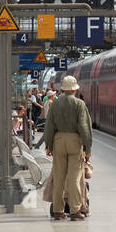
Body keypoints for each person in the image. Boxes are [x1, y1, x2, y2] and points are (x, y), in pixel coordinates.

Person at [43, 75, 92, 220]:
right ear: (74, 90)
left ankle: (58, 211)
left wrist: (49, 145)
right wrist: (88, 148)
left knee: (59, 177)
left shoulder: (55, 104)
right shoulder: (79, 104)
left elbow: (49, 126)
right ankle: (75, 210)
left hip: (58, 141)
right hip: (75, 141)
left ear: (63, 90)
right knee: (75, 177)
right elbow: (84, 127)